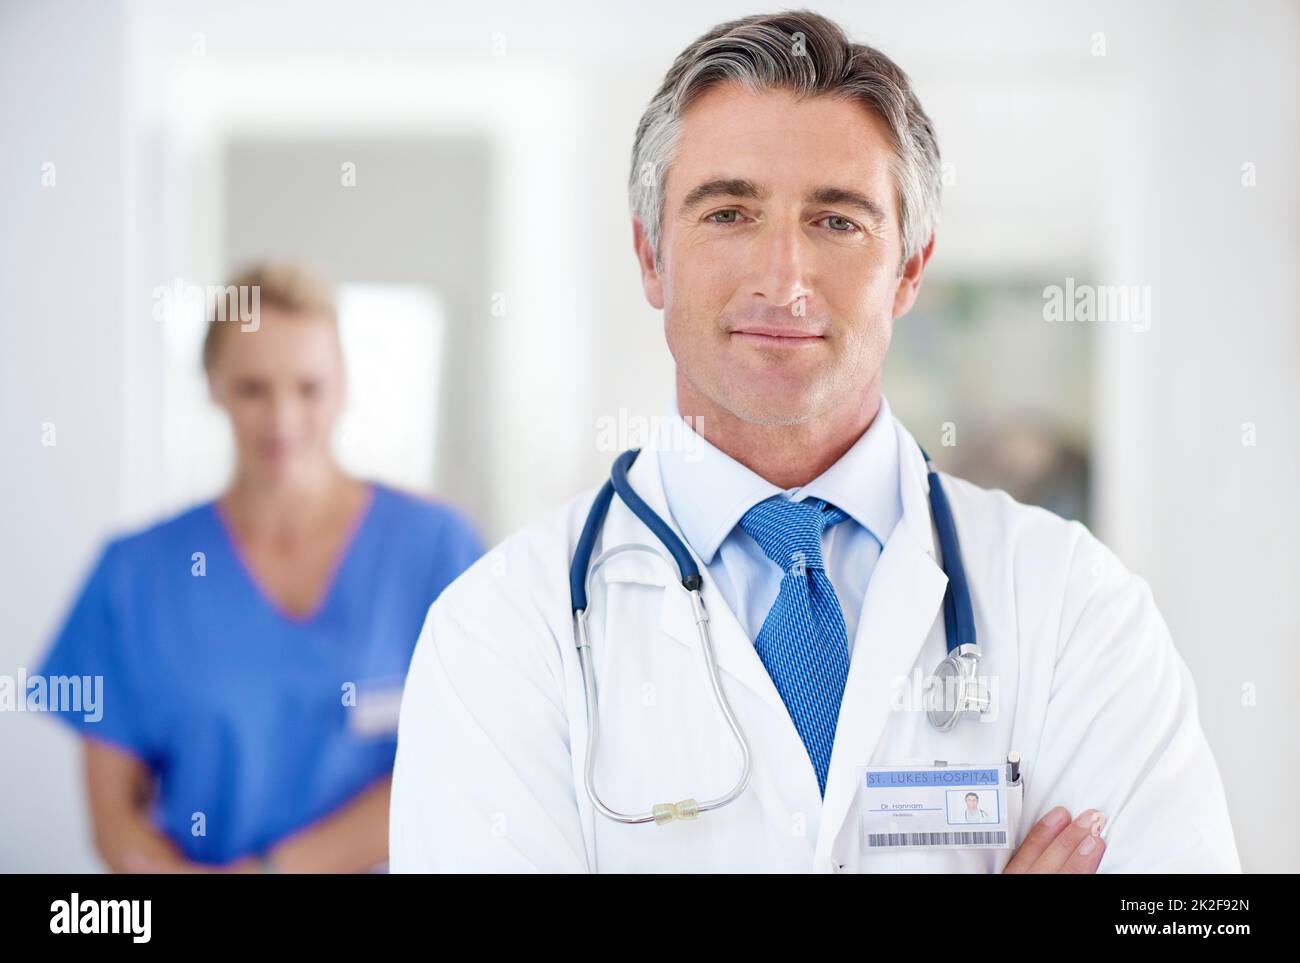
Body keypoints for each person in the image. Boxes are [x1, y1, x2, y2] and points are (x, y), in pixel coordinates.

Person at [389, 11, 1240, 873]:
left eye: (837, 221)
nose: (784, 280)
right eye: (728, 213)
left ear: (909, 267)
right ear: (651, 257)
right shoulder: (501, 632)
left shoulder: (1075, 607)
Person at [38, 261, 483, 872]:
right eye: (252, 388)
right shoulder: (134, 577)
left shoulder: (436, 550)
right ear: (213, 385)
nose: (282, 419)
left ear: (344, 385)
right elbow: (116, 821)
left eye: (308, 388)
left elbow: (462, 760)